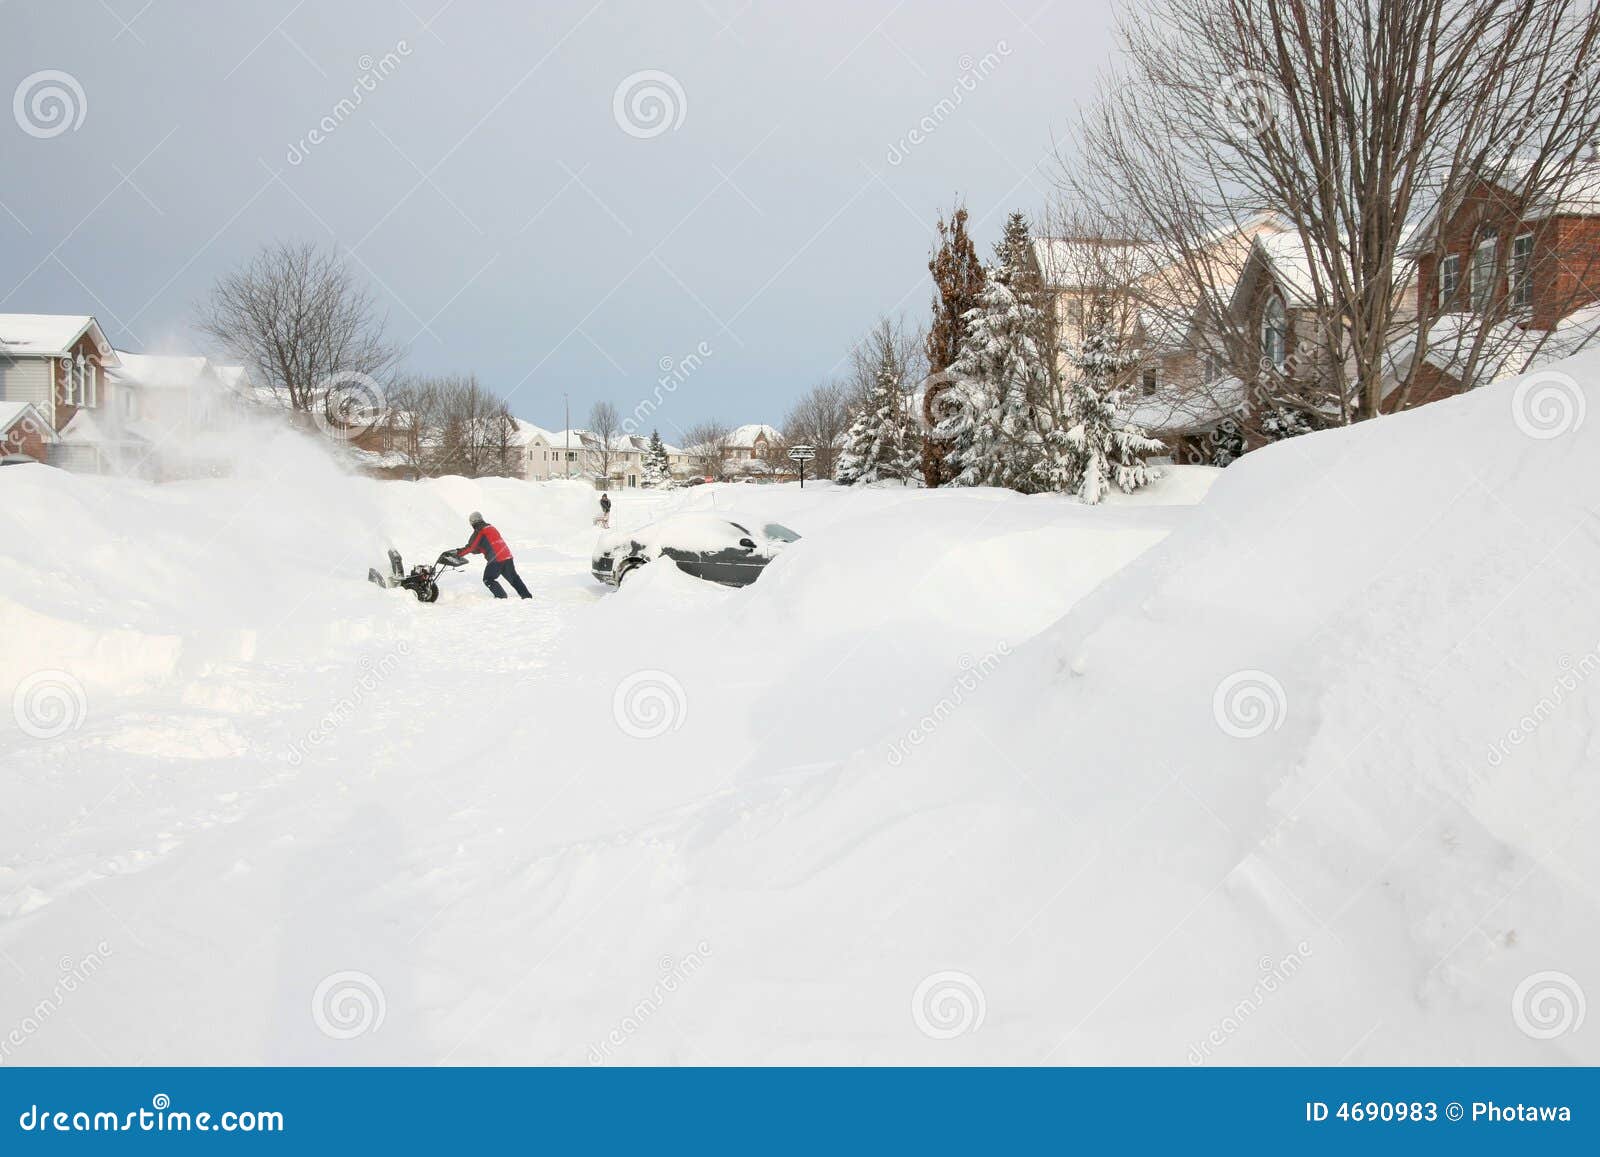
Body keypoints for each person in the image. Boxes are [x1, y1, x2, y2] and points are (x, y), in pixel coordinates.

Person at [456, 512, 531, 600]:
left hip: (496, 559)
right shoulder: (491, 527)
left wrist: (458, 554)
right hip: (507, 556)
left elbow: (471, 546)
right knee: (514, 578)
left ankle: (501, 597)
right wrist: (475, 550)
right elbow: (486, 545)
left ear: (472, 522)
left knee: (488, 579)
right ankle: (527, 596)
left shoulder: (480, 530)